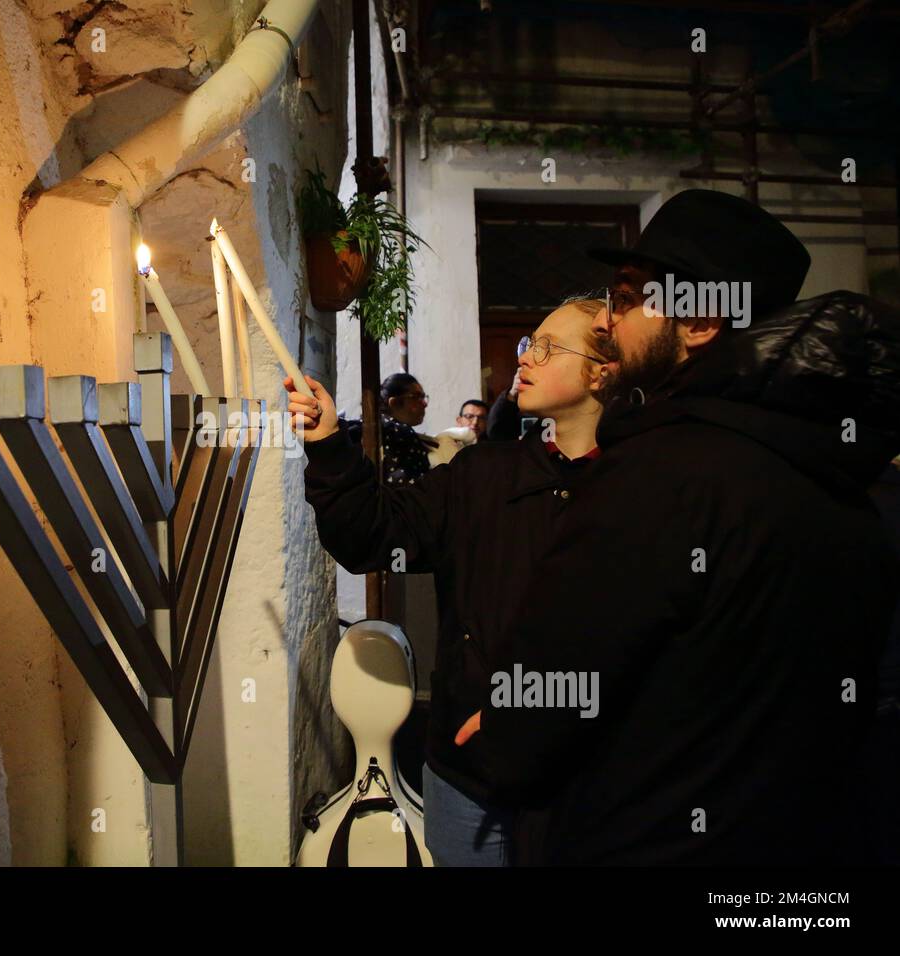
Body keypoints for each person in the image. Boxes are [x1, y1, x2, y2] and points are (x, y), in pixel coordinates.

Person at [470, 188, 900, 865]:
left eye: (629, 296)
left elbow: (561, 674)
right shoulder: (845, 476)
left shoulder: (661, 470)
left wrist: (506, 735)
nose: (609, 322)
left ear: (700, 321)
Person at [288, 297, 612, 866]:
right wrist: (328, 443)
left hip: (588, 779)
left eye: (548, 347)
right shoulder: (486, 473)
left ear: (603, 370)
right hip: (468, 774)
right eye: (526, 343)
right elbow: (370, 534)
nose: (525, 358)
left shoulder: (643, 484)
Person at [374, 372, 433, 486]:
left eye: (423, 397)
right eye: (415, 397)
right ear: (394, 402)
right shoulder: (399, 432)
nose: (424, 403)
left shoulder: (373, 426)